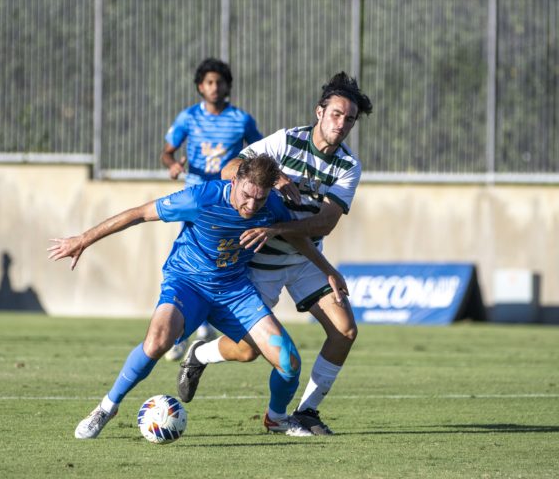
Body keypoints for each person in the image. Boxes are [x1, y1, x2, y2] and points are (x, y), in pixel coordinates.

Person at [49, 154, 348, 439]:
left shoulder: (270, 204)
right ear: (235, 181)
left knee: (288, 361)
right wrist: (83, 239)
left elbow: (296, 236)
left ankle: (276, 418)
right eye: (247, 194)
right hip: (187, 284)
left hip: (234, 291)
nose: (251, 204)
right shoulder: (200, 197)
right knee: (156, 343)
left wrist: (327, 269)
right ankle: (106, 408)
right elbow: (139, 214)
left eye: (259, 198)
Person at [177, 72, 373, 436]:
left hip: (303, 260)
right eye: (335, 114)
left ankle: (304, 413)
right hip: (260, 262)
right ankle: (200, 354)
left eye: (349, 119)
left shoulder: (348, 166)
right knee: (248, 350)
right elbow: (230, 168)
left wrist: (279, 229)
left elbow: (325, 223)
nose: (341, 124)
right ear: (319, 112)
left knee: (345, 331)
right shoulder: (286, 141)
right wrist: (276, 175)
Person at [160, 57, 263, 357]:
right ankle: (183, 324)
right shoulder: (188, 118)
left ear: (228, 85)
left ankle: (204, 322)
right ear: (200, 86)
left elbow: (258, 153)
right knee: (192, 256)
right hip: (194, 198)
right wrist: (173, 165)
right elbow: (167, 152)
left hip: (228, 200)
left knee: (223, 257)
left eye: (219, 82)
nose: (214, 87)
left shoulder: (241, 120)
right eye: (209, 82)